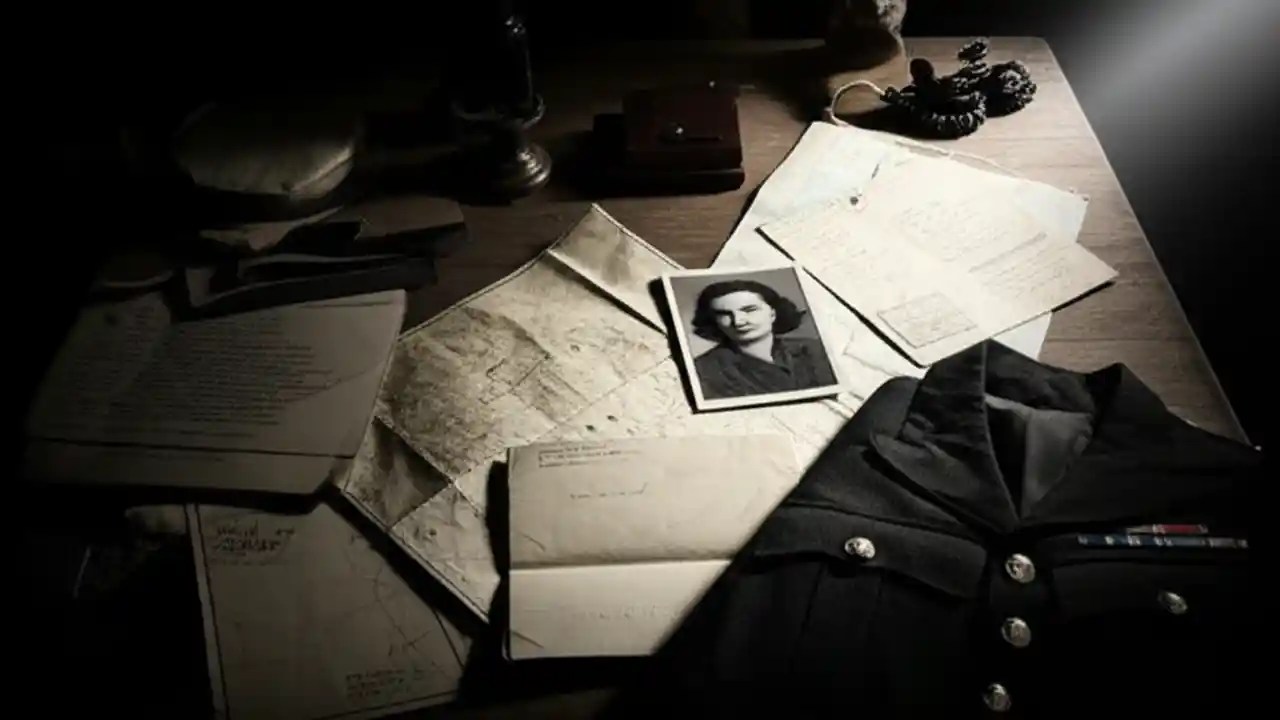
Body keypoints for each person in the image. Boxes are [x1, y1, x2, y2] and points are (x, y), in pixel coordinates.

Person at [690, 279, 837, 400]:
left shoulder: (815, 349)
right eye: (724, 314)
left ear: (773, 314)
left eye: (749, 310)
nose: (739, 321)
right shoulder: (705, 370)